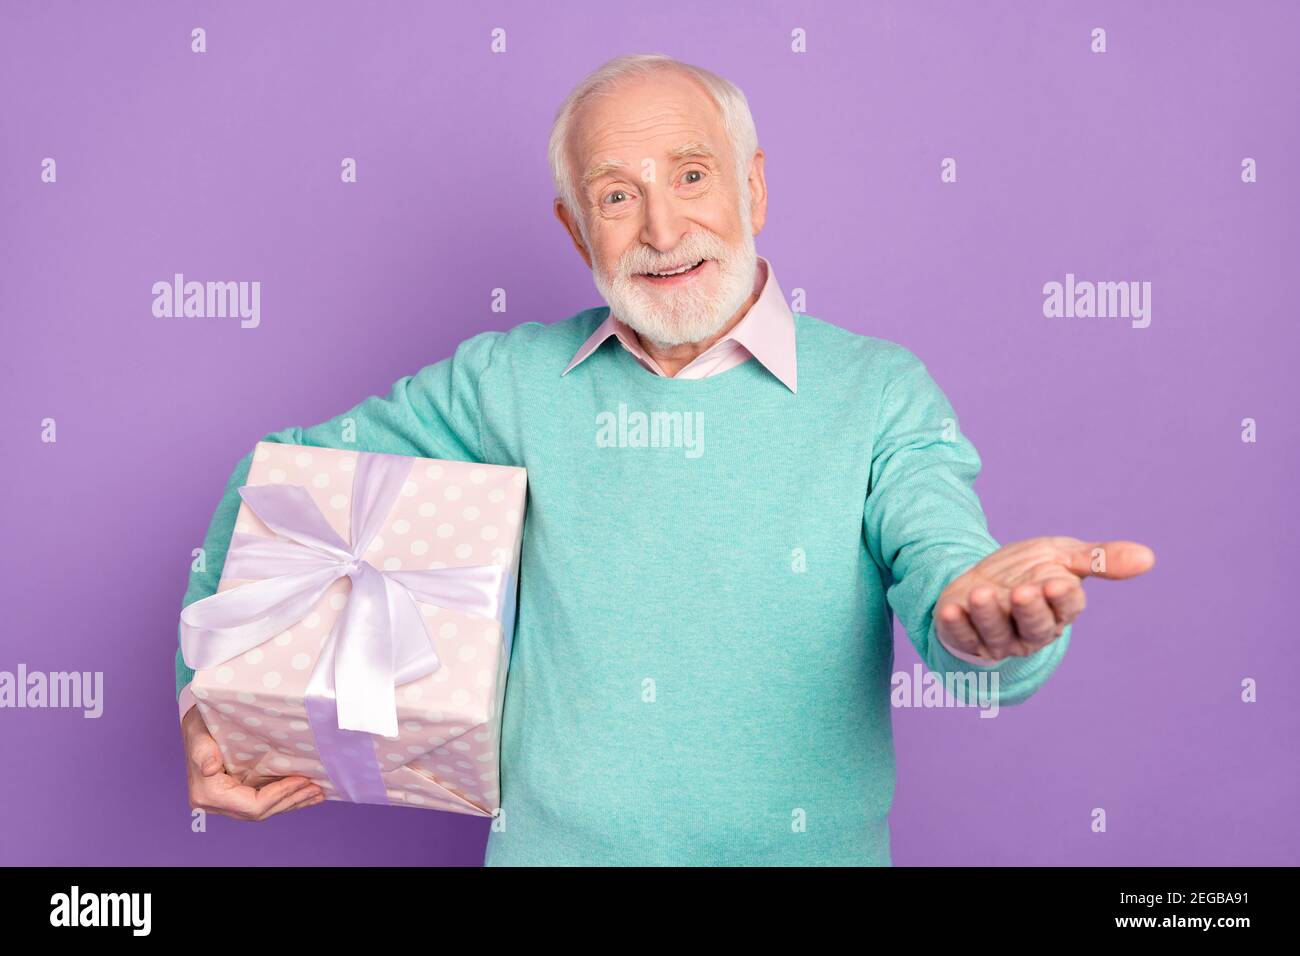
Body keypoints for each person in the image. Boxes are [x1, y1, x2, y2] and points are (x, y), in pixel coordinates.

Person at [177, 53, 1154, 864]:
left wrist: (992, 621)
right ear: (575, 229)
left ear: (752, 186)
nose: (661, 229)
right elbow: (283, 477)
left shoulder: (880, 391)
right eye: (617, 195)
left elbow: (949, 573)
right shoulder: (505, 382)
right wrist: (208, 695)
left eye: (691, 176)